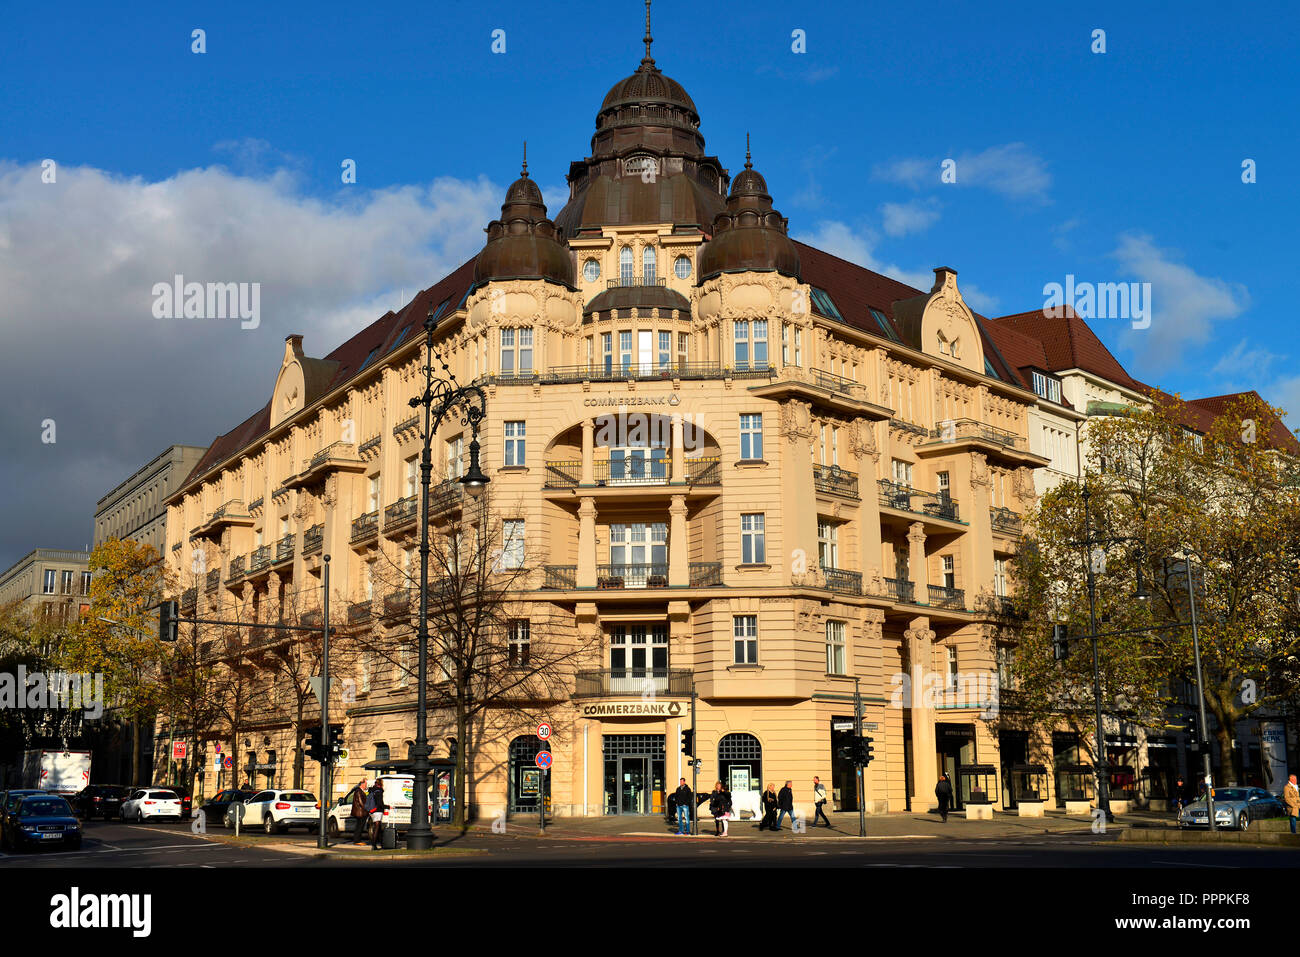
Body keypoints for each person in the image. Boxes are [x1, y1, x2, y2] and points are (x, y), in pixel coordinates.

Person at [366, 778, 388, 849]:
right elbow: (379, 803)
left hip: (372, 811)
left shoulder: (372, 790)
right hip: (378, 811)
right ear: (381, 784)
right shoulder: (379, 791)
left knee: (378, 827)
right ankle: (374, 845)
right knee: (377, 828)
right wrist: (387, 806)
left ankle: (381, 843)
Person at [349, 779, 369, 845]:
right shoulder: (358, 791)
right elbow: (361, 802)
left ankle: (358, 840)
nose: (366, 785)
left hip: (361, 811)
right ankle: (357, 841)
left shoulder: (361, 791)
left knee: (360, 826)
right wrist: (367, 808)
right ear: (362, 784)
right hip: (360, 812)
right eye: (366, 784)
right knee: (359, 826)